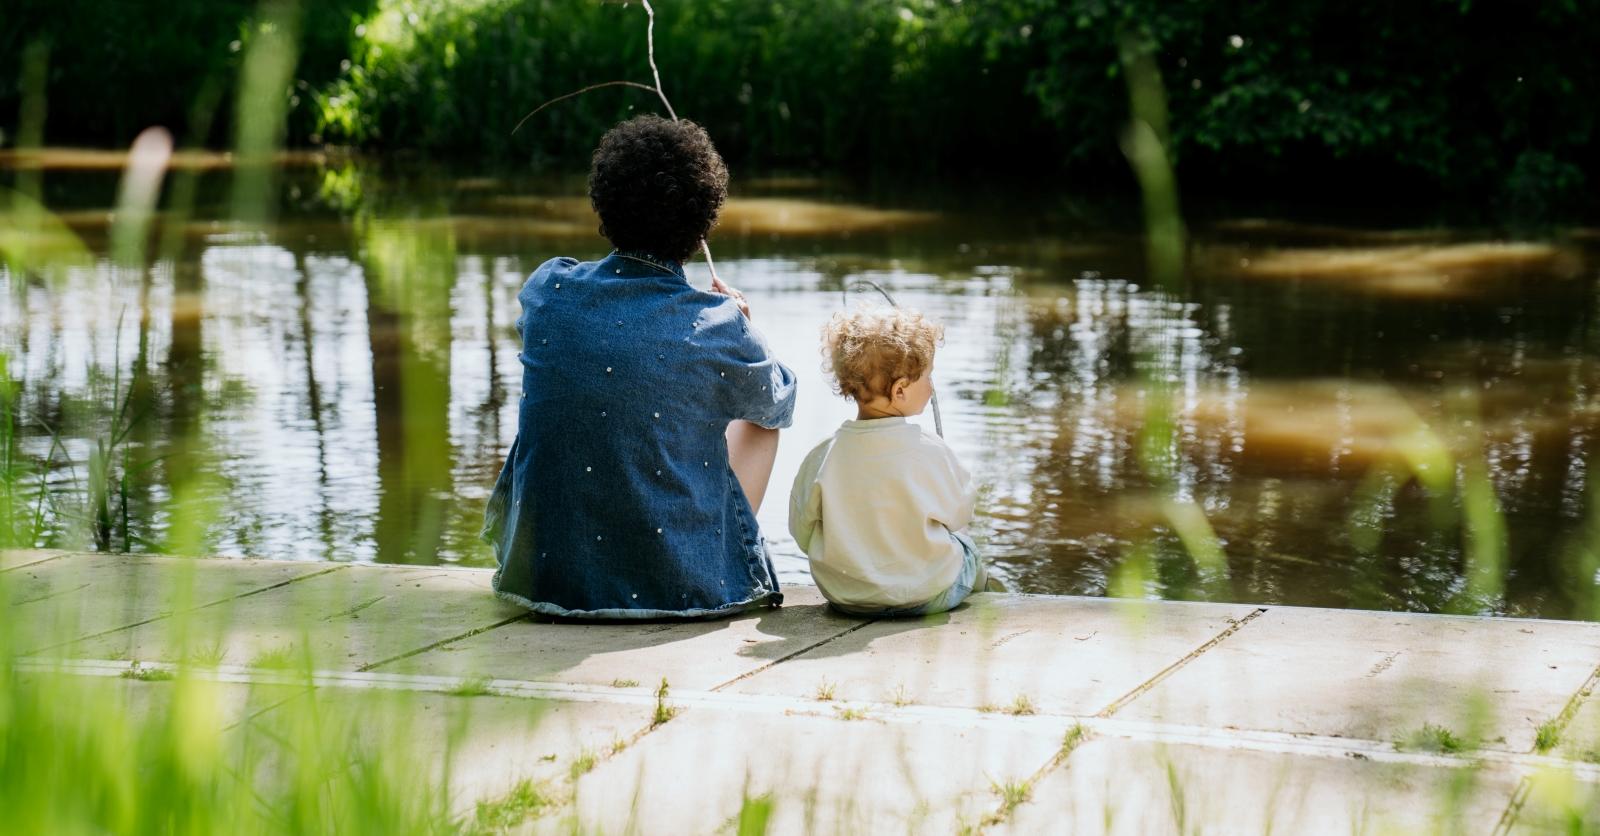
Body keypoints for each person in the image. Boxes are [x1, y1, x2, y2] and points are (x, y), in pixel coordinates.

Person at [482, 114, 797, 619]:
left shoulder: (547, 291)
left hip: (543, 583)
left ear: (603, 206)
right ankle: (712, 565)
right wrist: (743, 329)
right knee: (759, 418)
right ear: (703, 225)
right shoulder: (717, 326)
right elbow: (780, 400)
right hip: (679, 591)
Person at [788, 305, 992, 616]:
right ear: (899, 390)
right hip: (924, 596)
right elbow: (961, 511)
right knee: (967, 547)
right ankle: (987, 591)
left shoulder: (822, 456)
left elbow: (801, 533)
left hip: (847, 599)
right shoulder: (928, 449)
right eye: (928, 376)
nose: (932, 386)